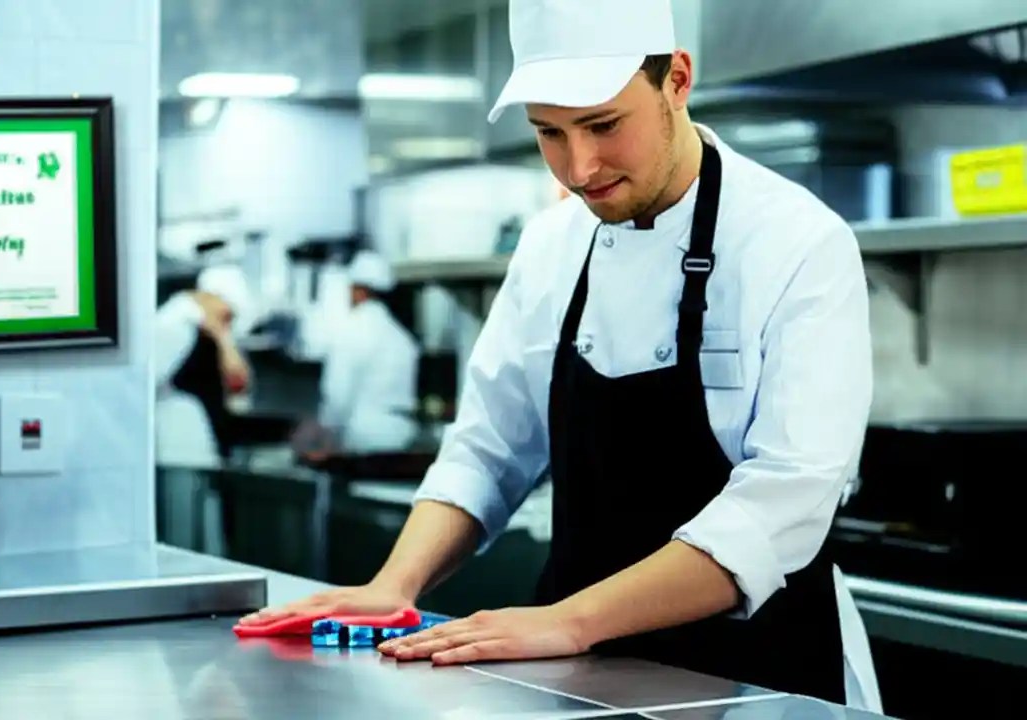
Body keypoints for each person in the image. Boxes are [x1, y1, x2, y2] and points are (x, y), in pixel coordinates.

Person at [239, 0, 880, 712]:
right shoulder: (551, 246)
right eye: (549, 132)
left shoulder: (798, 242)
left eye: (604, 125)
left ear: (676, 80)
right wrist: (395, 586)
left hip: (755, 676)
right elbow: (488, 448)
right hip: (586, 675)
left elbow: (784, 501)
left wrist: (569, 621)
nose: (579, 166)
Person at [300, 251, 421, 458]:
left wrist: (325, 436)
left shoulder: (351, 329)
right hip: (402, 434)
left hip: (363, 438)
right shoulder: (402, 338)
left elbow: (337, 393)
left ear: (358, 290)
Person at [154, 265, 253, 469]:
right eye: (227, 313)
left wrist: (223, 337)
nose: (228, 320)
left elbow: (239, 384)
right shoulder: (175, 327)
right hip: (175, 448)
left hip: (199, 449)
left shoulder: (212, 334)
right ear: (207, 297)